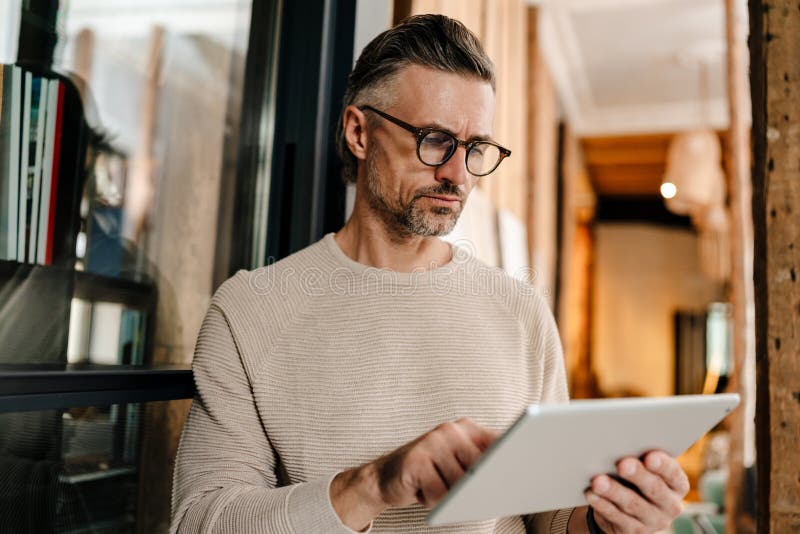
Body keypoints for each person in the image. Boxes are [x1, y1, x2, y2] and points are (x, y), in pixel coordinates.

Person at [170, 14, 689, 534]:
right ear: (358, 132)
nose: (458, 175)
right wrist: (371, 485)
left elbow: (548, 514)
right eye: (435, 140)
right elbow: (199, 522)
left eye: (476, 148)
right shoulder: (248, 311)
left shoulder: (521, 310)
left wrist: (607, 520)